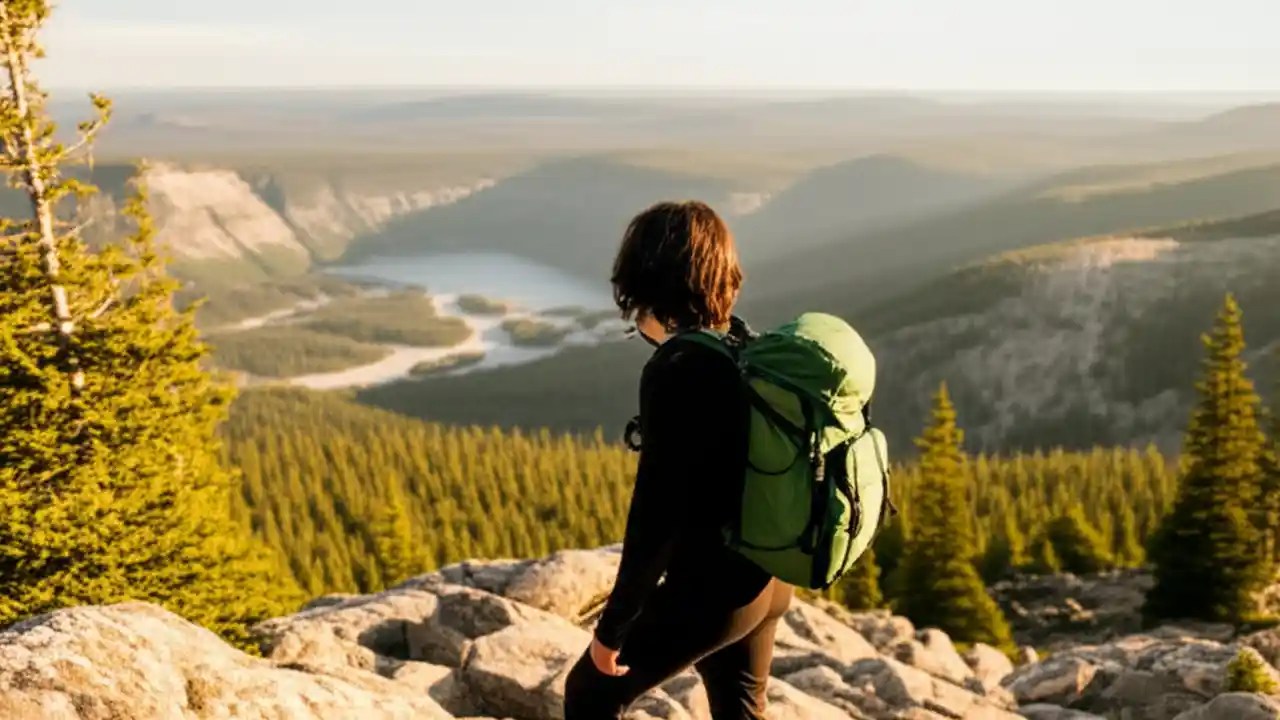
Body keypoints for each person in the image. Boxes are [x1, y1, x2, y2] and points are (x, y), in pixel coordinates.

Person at [563, 201, 793, 719]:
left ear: (648, 277)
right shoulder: (742, 344)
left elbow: (656, 517)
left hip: (714, 592)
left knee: (589, 694)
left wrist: (611, 632)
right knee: (741, 710)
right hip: (769, 579)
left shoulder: (681, 368)